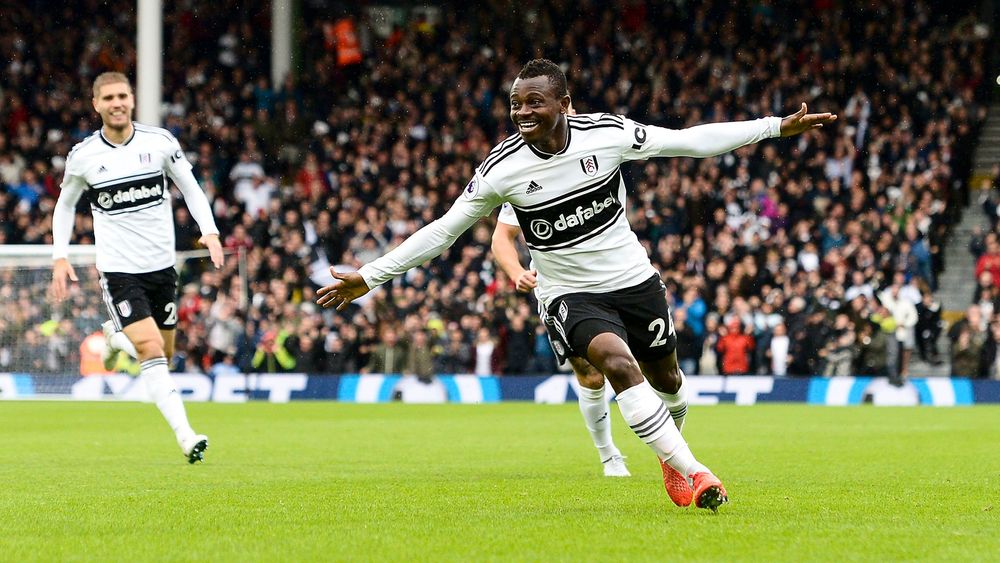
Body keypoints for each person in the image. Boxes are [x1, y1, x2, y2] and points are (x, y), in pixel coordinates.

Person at [317, 59, 836, 511]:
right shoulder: (502, 170)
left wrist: (773, 128)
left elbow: (688, 142)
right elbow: (445, 229)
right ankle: (696, 471)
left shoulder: (606, 135)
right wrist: (371, 275)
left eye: (534, 103)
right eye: (515, 105)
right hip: (567, 293)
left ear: (564, 103)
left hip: (634, 280)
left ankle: (669, 455)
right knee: (615, 364)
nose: (522, 113)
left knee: (670, 383)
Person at [50, 72, 224, 464]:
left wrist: (209, 232)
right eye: (108, 97)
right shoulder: (83, 157)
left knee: (163, 352)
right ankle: (186, 435)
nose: (117, 103)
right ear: (96, 104)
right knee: (150, 350)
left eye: (123, 95)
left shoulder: (159, 143)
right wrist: (60, 255)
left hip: (162, 268)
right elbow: (64, 206)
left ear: (132, 99)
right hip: (119, 270)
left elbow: (191, 187)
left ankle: (114, 341)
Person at [492, 202, 631, 477]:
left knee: (640, 363)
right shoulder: (520, 173)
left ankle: (670, 445)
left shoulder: (596, 161)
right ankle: (608, 456)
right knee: (590, 374)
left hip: (614, 279)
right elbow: (502, 235)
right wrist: (516, 271)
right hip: (559, 289)